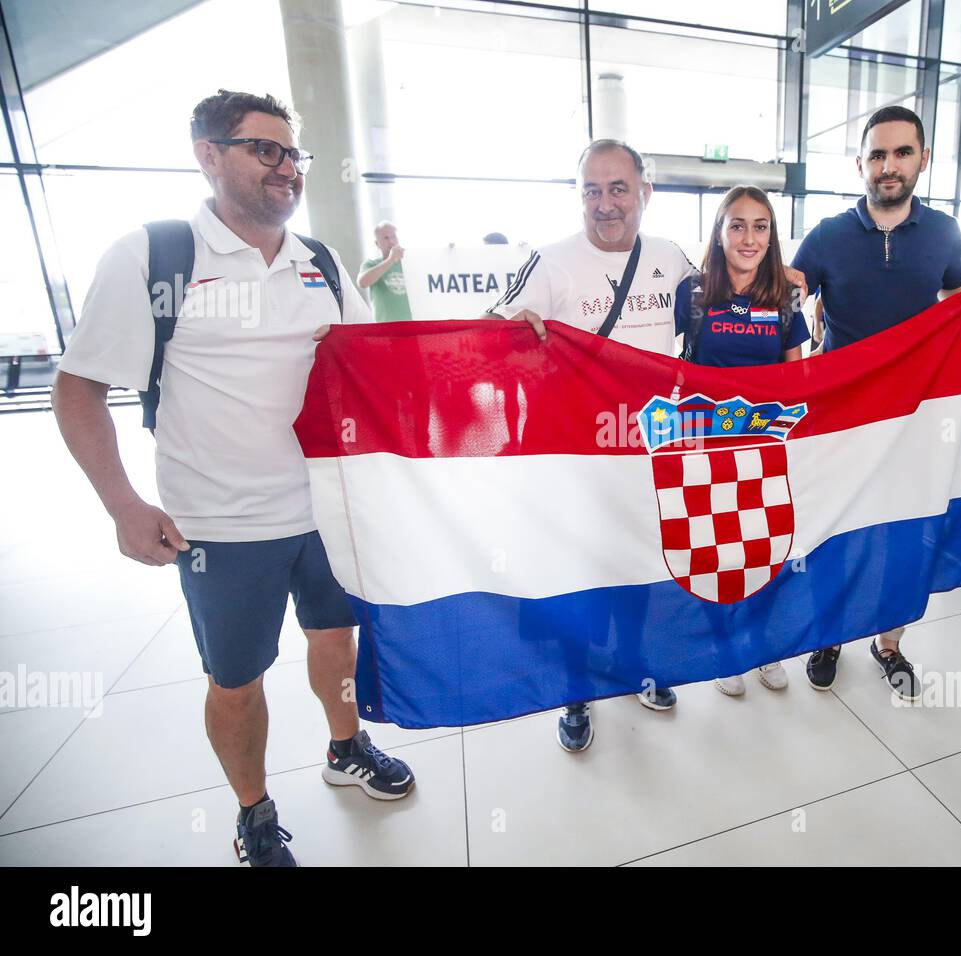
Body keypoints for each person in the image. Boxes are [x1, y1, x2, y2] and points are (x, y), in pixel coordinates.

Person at [51, 90, 413, 868]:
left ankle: (345, 747)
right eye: (264, 150)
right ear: (208, 155)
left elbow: (377, 361)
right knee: (236, 680)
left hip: (323, 509)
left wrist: (511, 337)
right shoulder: (155, 256)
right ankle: (254, 813)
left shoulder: (318, 260)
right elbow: (77, 386)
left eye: (294, 154)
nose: (286, 169)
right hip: (219, 527)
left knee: (335, 640)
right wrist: (122, 505)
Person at [486, 139, 696, 752]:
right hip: (576, 455)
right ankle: (576, 689)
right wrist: (509, 332)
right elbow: (491, 334)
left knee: (638, 564)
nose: (605, 204)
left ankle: (634, 665)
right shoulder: (551, 263)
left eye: (618, 189)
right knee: (580, 575)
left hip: (649, 450)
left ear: (645, 194)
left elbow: (720, 321)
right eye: (591, 191)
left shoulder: (671, 257)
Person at [791, 104, 961, 701]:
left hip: (915, 418)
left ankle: (889, 643)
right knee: (834, 527)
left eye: (902, 153)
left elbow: (956, 296)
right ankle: (829, 633)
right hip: (840, 418)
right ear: (861, 164)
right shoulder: (827, 236)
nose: (889, 166)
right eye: (878, 155)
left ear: (923, 160)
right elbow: (779, 294)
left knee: (903, 531)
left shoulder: (942, 231)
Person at [674, 186, 811, 695]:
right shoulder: (692, 291)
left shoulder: (785, 292)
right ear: (720, 231)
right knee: (714, 547)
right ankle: (724, 645)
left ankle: (760, 643)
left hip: (765, 443)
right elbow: (649, 351)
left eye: (760, 226)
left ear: (771, 235)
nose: (748, 237)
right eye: (737, 225)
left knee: (764, 542)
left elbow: (796, 375)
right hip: (706, 443)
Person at [358, 220, 412, 322]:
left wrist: (448, 253)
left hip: (413, 328)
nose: (391, 241)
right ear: (377, 243)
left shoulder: (410, 263)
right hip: (385, 330)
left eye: (393, 236)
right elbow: (362, 282)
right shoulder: (371, 264)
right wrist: (391, 260)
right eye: (386, 238)